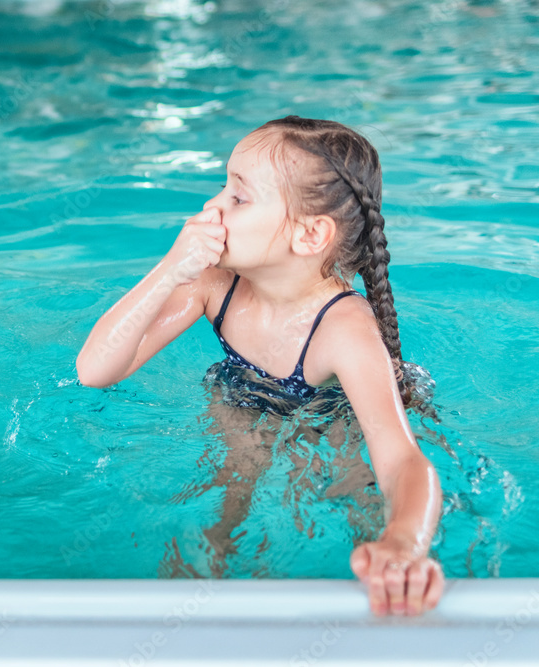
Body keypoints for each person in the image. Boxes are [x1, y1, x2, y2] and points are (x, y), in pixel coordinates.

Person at [76, 116, 444, 617]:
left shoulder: (344, 329)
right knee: (228, 502)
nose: (212, 206)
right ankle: (214, 566)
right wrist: (169, 270)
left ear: (310, 234)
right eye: (223, 186)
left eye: (238, 197)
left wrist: (404, 541)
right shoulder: (213, 283)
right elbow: (95, 369)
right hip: (246, 393)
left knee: (362, 513)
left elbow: (401, 459)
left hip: (338, 412)